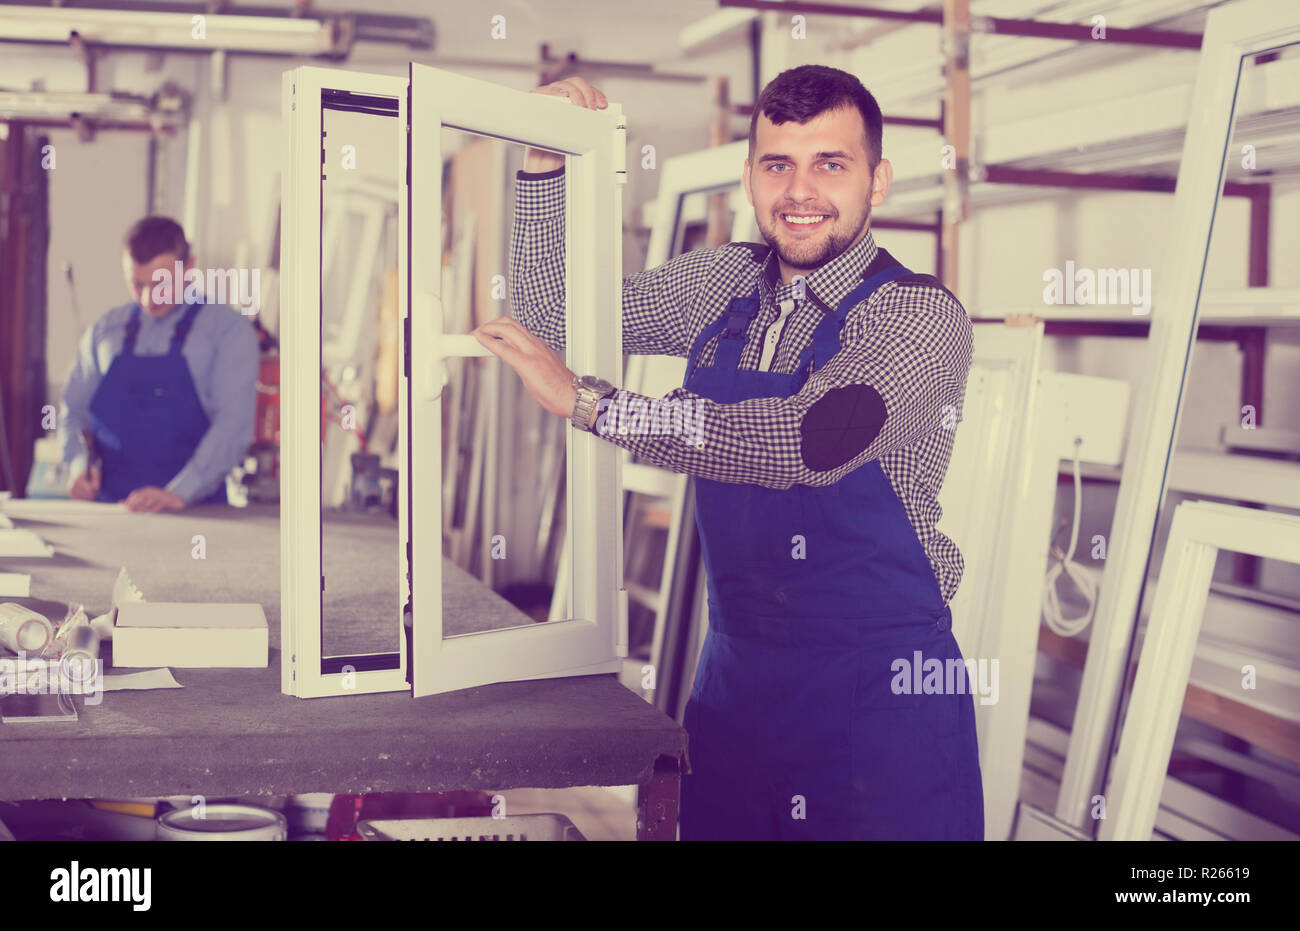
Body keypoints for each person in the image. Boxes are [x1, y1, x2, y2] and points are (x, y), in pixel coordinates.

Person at [477, 65, 983, 840]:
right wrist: (545, 160)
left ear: (877, 181)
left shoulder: (917, 317)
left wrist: (591, 402)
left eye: (831, 165)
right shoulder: (725, 283)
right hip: (737, 687)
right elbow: (556, 316)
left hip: (880, 707)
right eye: (778, 165)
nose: (799, 191)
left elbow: (801, 443)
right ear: (750, 177)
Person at [59, 216, 258, 511]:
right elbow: (72, 412)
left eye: (161, 284)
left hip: (198, 516)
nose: (150, 299)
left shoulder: (228, 332)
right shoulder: (104, 331)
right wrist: (79, 467)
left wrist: (181, 491)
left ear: (189, 266)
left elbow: (234, 425)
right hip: (111, 514)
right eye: (137, 285)